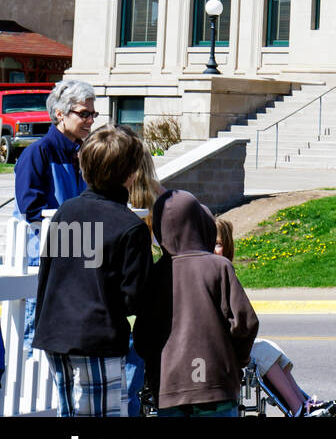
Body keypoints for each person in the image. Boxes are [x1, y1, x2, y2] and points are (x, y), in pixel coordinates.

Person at [31, 124, 153, 417]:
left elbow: (50, 273)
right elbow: (134, 298)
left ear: (84, 169)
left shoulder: (67, 213)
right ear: (131, 173)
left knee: (69, 412)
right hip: (97, 335)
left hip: (55, 332)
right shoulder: (129, 227)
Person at [213, 217, 336, 417]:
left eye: (218, 244)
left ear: (227, 247)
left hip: (227, 342)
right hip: (218, 346)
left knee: (268, 347)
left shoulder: (223, 271)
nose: (214, 248)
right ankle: (298, 409)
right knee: (262, 352)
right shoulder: (212, 274)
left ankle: (306, 403)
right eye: (211, 243)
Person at [134, 190, 259, 416]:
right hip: (216, 385)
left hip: (169, 388)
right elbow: (245, 323)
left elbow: (143, 337)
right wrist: (237, 360)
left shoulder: (153, 275)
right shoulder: (219, 267)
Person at [13, 79, 95, 355]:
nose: (90, 121)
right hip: (43, 260)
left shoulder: (83, 154)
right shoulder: (38, 152)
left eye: (93, 114)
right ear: (60, 114)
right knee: (35, 334)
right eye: (84, 114)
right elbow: (31, 209)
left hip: (77, 258)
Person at [122, 149, 162, 417]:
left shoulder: (116, 206)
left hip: (116, 310)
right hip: (148, 306)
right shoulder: (160, 200)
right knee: (132, 390)